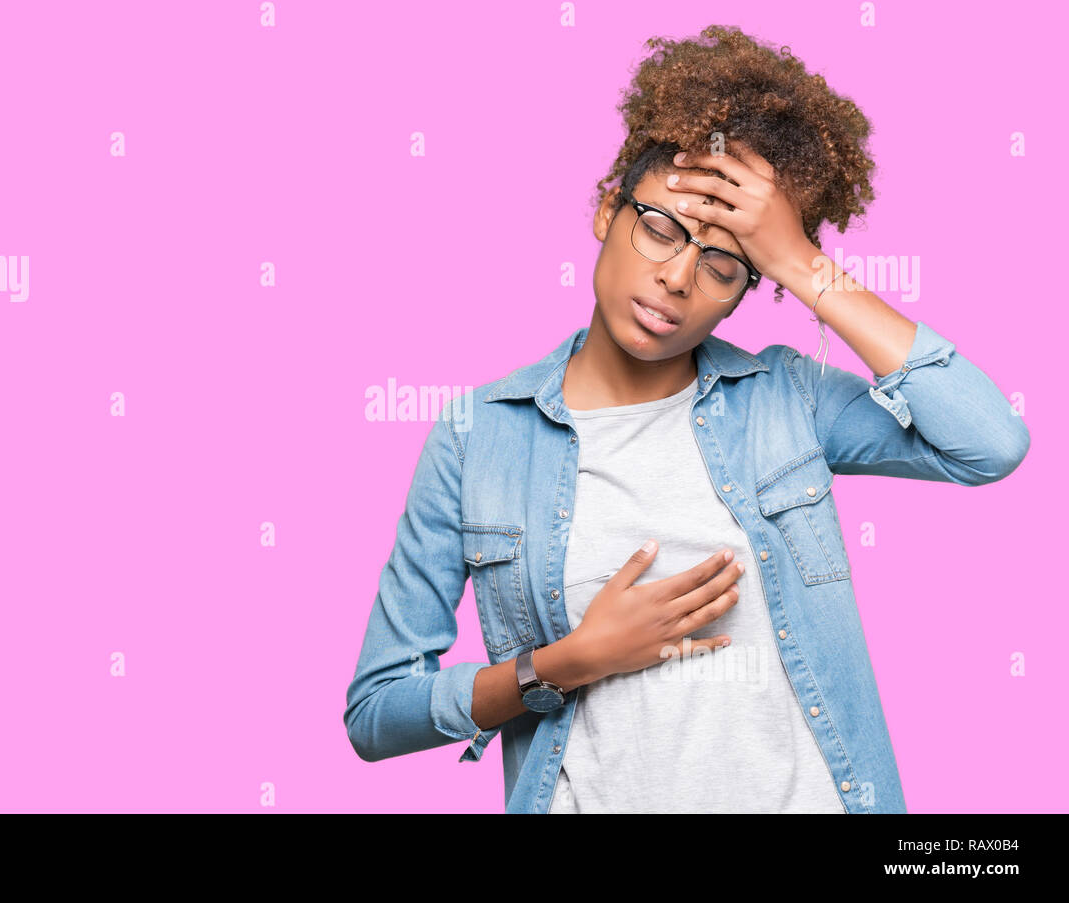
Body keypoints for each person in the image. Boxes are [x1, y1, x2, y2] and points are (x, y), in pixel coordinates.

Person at [343, 24, 1030, 814]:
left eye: (724, 263)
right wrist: (566, 663)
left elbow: (990, 441)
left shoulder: (785, 400)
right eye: (661, 229)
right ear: (608, 209)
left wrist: (802, 263)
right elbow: (376, 712)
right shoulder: (478, 437)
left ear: (749, 284)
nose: (675, 277)